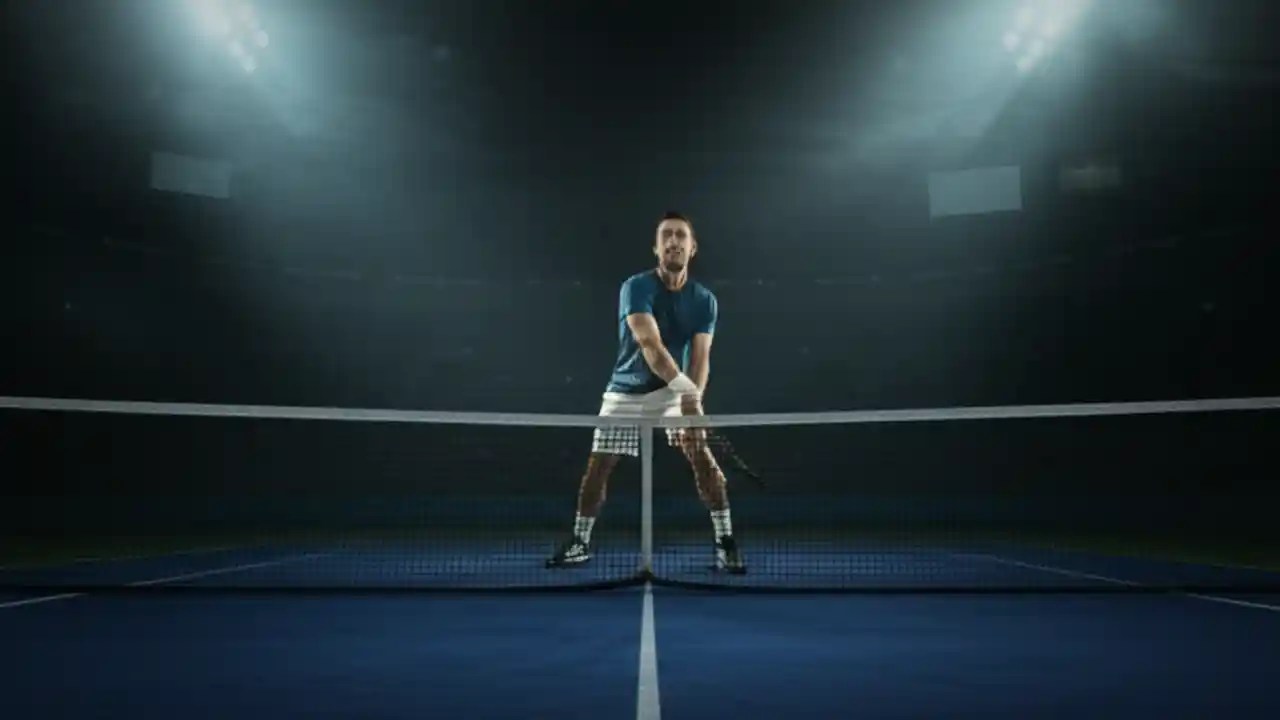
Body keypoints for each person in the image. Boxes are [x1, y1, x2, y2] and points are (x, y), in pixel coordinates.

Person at [546, 211, 745, 573]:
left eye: (681, 236)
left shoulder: (704, 301)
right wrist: (686, 388)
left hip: (675, 393)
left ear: (692, 247)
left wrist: (694, 399)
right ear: (656, 248)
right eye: (666, 236)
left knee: (702, 457)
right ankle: (580, 541)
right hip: (627, 391)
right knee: (599, 467)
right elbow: (650, 346)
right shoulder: (635, 288)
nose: (674, 242)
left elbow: (701, 358)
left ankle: (725, 540)